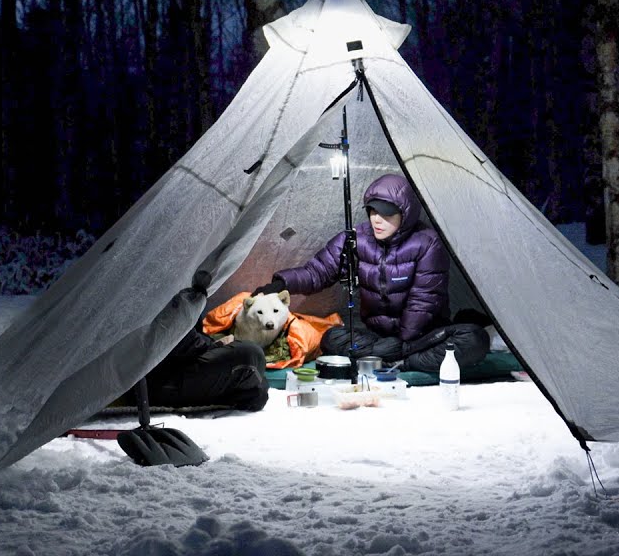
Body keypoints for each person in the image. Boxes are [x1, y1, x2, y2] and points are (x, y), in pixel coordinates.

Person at [255, 172, 490, 372]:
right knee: (330, 339)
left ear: (405, 214)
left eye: (387, 214)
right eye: (373, 211)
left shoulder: (427, 243)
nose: (377, 219)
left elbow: (423, 302)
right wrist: (279, 284)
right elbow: (317, 272)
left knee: (474, 338)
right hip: (377, 338)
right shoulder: (356, 239)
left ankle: (402, 362)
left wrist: (400, 344)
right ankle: (398, 361)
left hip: (421, 338)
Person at [144, 325, 270, 412]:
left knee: (255, 378)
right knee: (250, 355)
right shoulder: (156, 293)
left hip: (179, 368)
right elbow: (175, 337)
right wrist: (216, 345)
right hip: (157, 378)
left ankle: (248, 391)